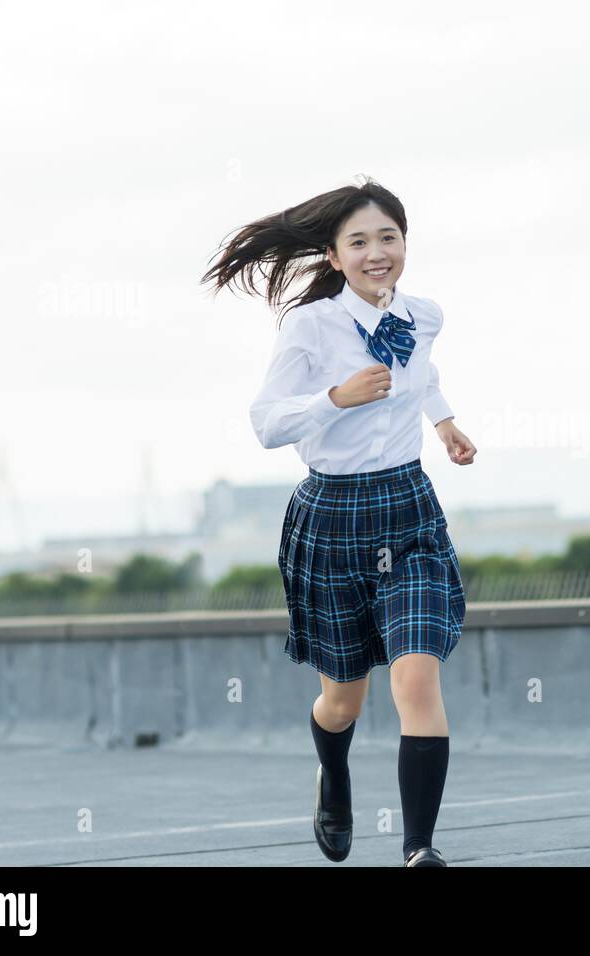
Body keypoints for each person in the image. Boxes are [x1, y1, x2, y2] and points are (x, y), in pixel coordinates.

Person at [201, 176, 477, 867]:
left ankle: (419, 850)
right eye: (360, 241)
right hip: (333, 519)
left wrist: (444, 425)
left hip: (409, 510)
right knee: (342, 703)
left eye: (389, 237)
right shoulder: (311, 327)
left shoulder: (425, 314)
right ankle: (335, 776)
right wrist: (335, 398)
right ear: (333, 254)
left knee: (417, 679)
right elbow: (266, 424)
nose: (377, 252)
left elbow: (423, 370)